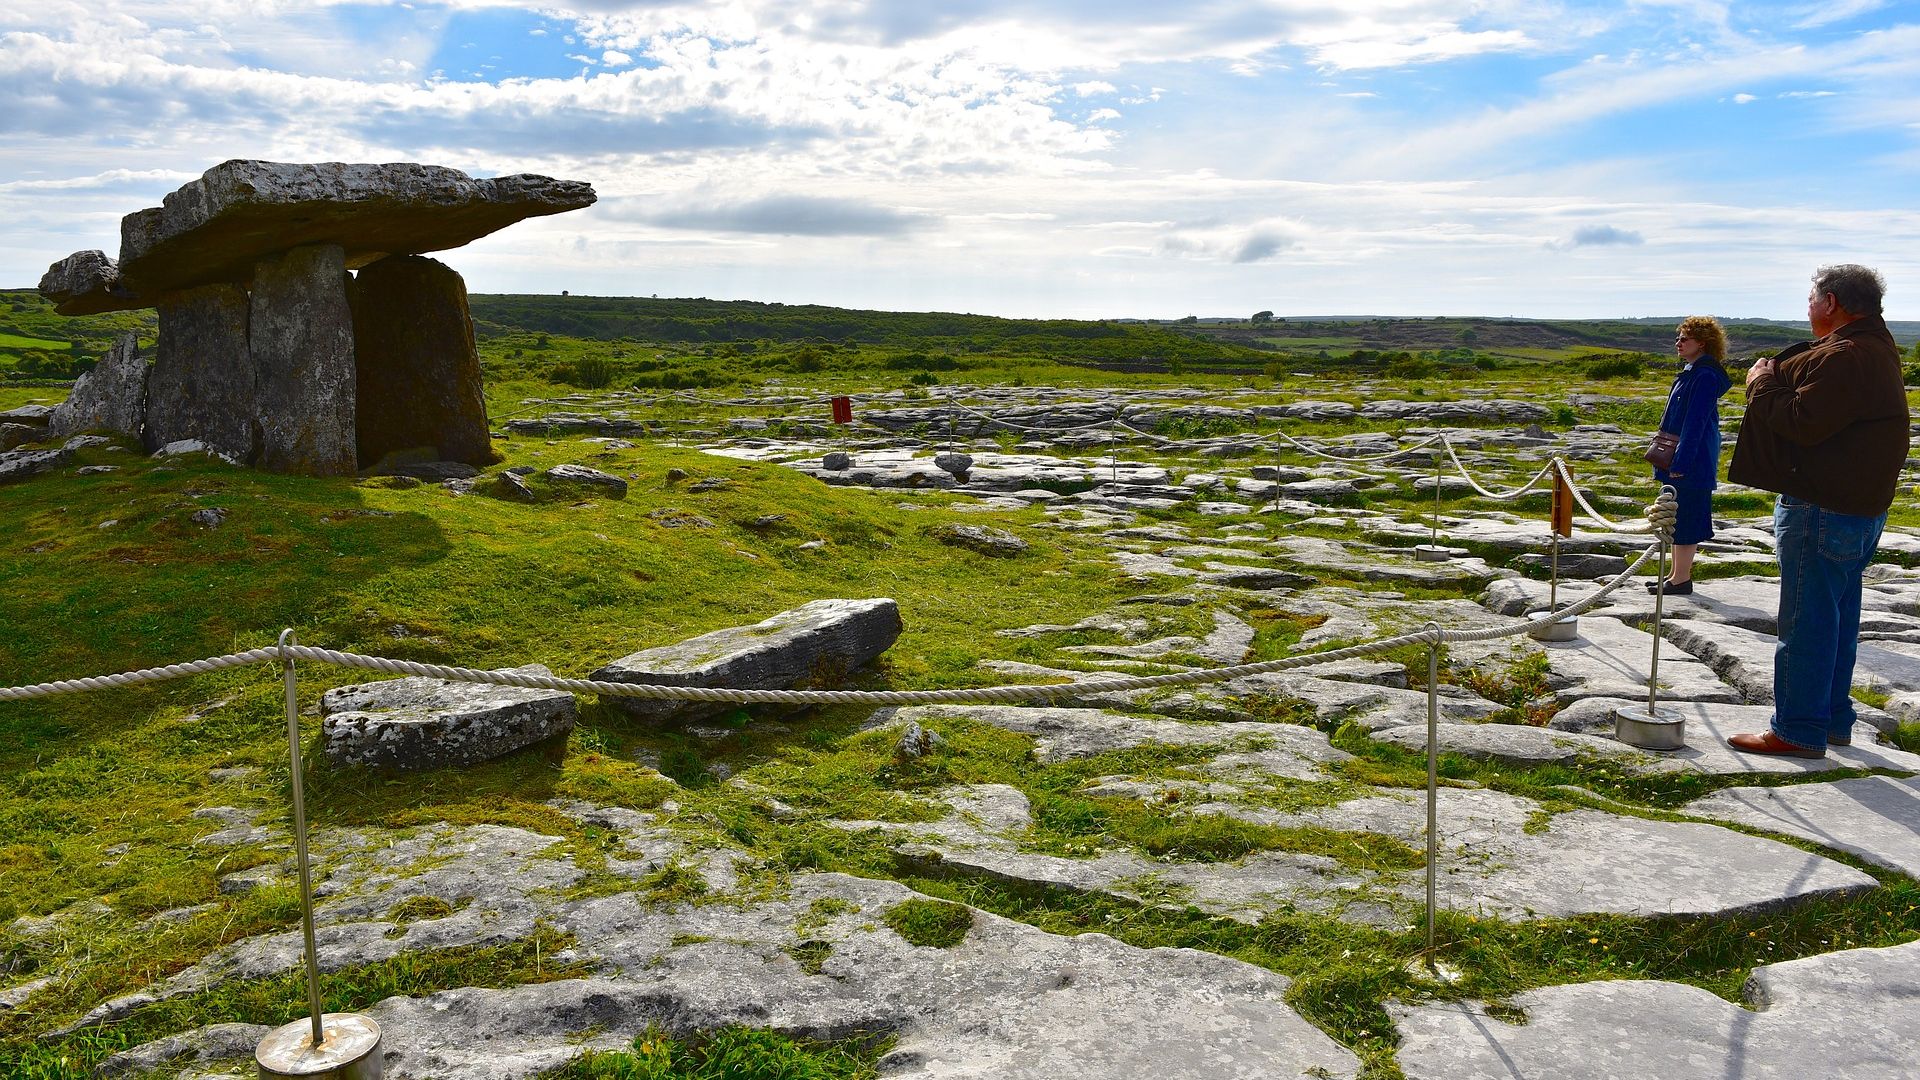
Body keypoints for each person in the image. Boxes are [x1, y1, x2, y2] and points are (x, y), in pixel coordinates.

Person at [1725, 264, 1909, 758]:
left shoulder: (1847, 354)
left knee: (1806, 622)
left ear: (1831, 303)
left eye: (1811, 298)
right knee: (1837, 619)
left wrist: (1760, 382)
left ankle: (1797, 730)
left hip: (1822, 507)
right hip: (1858, 507)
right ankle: (1831, 720)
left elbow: (1802, 423)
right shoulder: (1878, 346)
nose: (1807, 308)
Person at [1647, 316, 1731, 596]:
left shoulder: (1705, 376)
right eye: (1678, 338)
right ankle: (1674, 575)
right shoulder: (1694, 371)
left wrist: (1681, 462)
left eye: (1685, 339)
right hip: (1683, 457)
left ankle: (1681, 579)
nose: (1678, 343)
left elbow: (1695, 423)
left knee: (1688, 516)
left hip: (1692, 460)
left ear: (1702, 343)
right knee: (1677, 515)